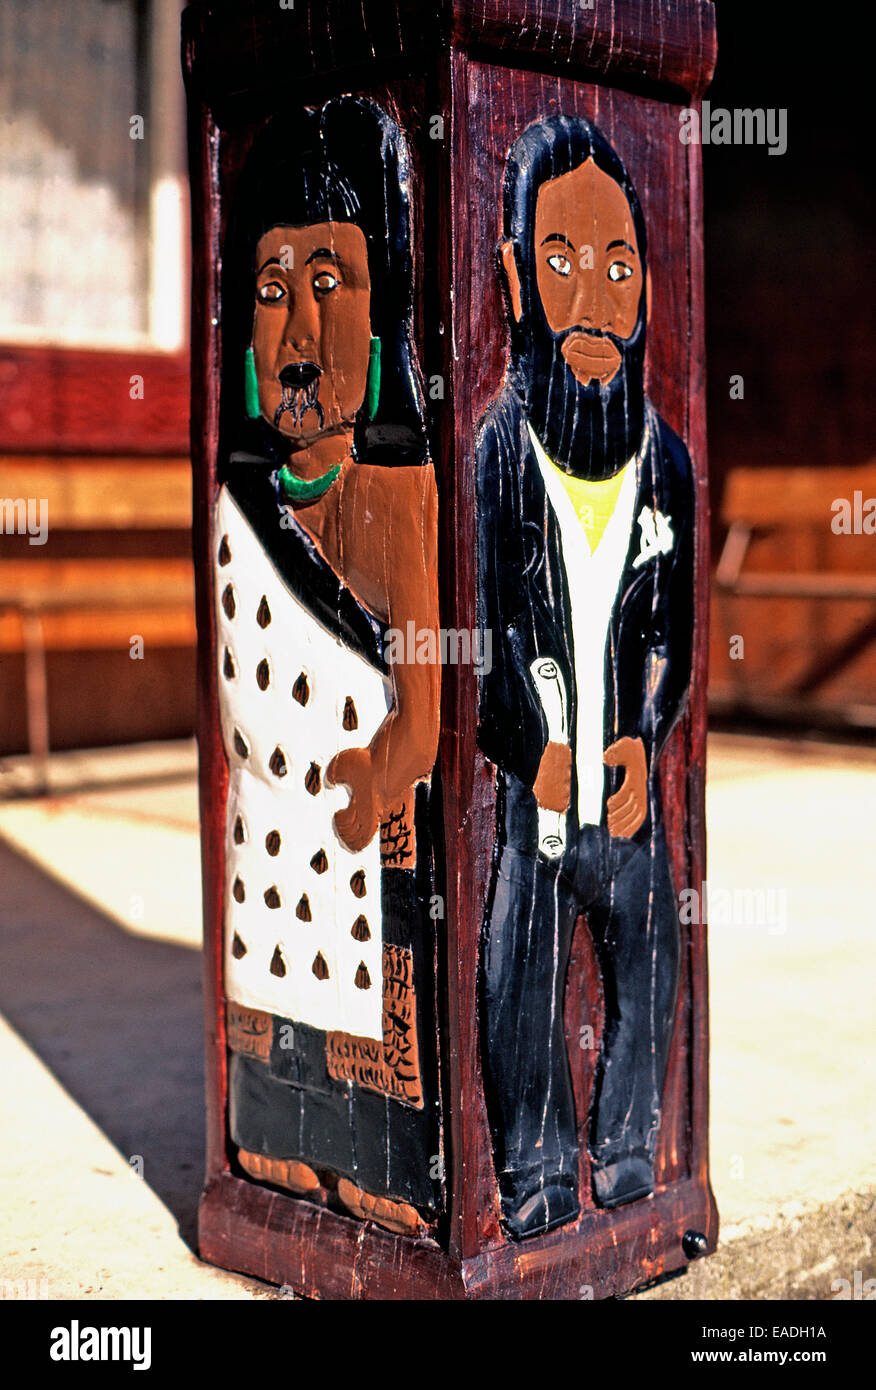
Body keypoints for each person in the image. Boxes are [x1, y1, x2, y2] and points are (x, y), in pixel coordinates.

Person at [214, 98, 441, 1235]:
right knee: (269, 1007)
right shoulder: (242, 497)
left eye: (330, 284)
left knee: (362, 1019)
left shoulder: (393, 490)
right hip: (267, 827)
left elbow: (423, 695)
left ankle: (376, 1162)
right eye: (269, 291)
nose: (297, 328)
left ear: (383, 312)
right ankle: (272, 1137)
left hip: (356, 817)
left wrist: (390, 759)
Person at [476, 114, 695, 1240]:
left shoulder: (666, 458)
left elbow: (674, 632)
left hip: (623, 790)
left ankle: (627, 1150)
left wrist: (645, 730)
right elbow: (487, 635)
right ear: (517, 273)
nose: (598, 297)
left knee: (650, 952)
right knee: (521, 965)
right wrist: (534, 740)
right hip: (538, 793)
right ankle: (534, 1170)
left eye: (620, 264)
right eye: (563, 260)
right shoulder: (503, 455)